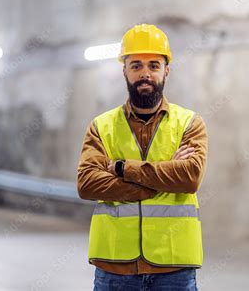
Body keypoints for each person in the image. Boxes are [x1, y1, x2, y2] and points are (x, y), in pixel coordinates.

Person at [77, 23, 208, 290]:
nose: (145, 73)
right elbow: (87, 184)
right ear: (124, 70)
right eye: (136, 65)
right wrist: (161, 180)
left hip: (174, 268)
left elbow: (189, 178)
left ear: (166, 71)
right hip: (115, 267)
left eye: (153, 65)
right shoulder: (101, 126)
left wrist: (122, 168)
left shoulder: (190, 124)